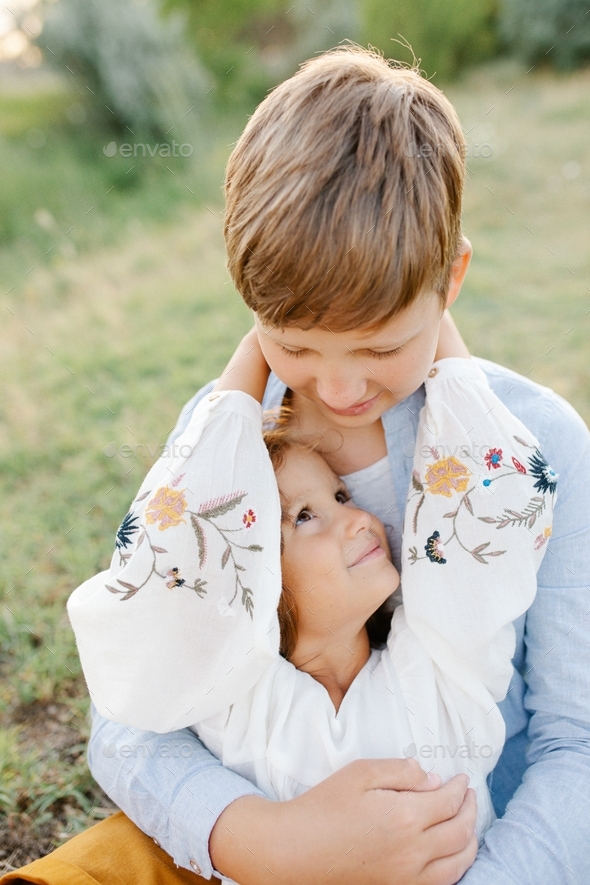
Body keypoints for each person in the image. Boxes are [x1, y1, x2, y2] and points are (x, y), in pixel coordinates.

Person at [3, 44, 589, 885]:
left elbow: (578, 741)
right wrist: (263, 840)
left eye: (381, 346)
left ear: (452, 279)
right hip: (259, 842)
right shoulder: (229, 442)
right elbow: (131, 708)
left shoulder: (539, 448)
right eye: (294, 344)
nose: (340, 387)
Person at [67, 328, 555, 879]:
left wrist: (434, 325)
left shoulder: (441, 669)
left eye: (341, 495)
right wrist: (252, 360)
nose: (358, 518)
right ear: (247, 574)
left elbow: (487, 497)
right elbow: (181, 536)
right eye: (304, 516)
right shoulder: (237, 698)